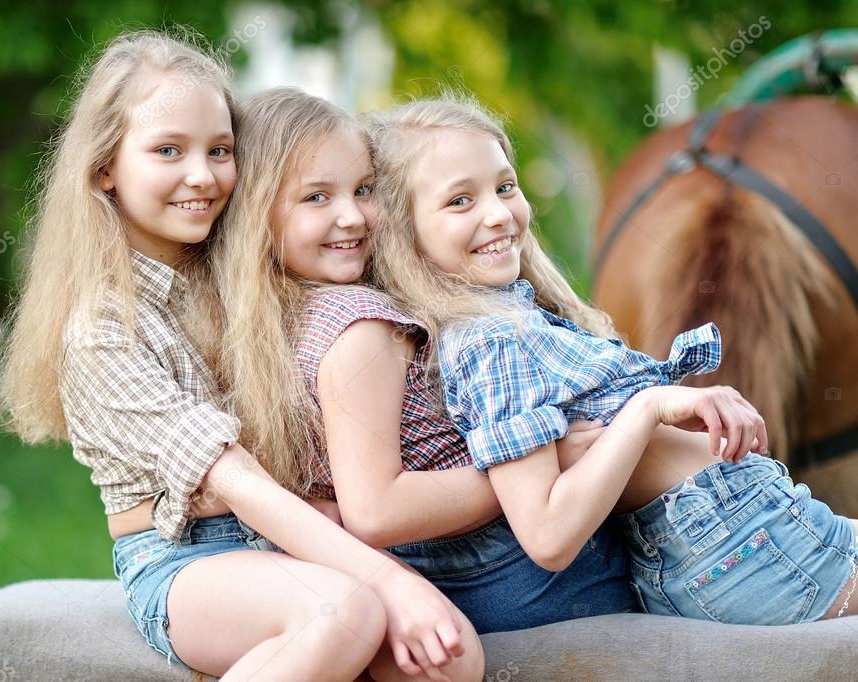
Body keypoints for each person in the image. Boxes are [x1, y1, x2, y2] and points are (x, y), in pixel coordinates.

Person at [0, 32, 473, 682]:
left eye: (219, 150)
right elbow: (234, 479)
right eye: (168, 150)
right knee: (345, 611)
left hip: (286, 531)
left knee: (449, 660)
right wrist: (391, 580)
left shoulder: (239, 275)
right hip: (184, 561)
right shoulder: (102, 330)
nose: (202, 175)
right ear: (105, 166)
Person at [365, 94, 858, 625]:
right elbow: (548, 534)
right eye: (459, 201)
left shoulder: (496, 318)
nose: (498, 214)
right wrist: (649, 408)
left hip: (718, 540)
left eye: (505, 186)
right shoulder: (494, 341)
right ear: (402, 229)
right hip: (738, 541)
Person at [209, 86, 638, 638]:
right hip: (516, 574)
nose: (353, 216)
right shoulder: (361, 323)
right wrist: (541, 462)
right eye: (316, 197)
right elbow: (375, 510)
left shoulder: (268, 325)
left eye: (364, 190)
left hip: (473, 570)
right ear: (256, 213)